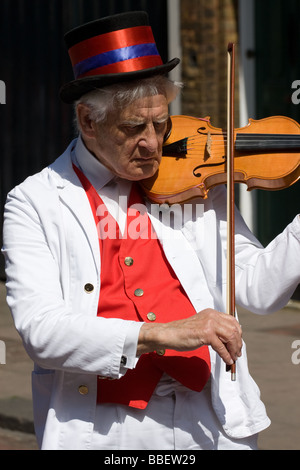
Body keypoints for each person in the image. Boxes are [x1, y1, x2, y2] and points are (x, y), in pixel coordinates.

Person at [2, 11, 300, 451]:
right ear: (88, 121)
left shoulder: (197, 181)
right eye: (132, 127)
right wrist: (160, 334)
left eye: (160, 123)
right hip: (104, 428)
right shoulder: (35, 202)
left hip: (208, 422)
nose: (153, 144)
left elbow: (258, 289)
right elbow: (42, 331)